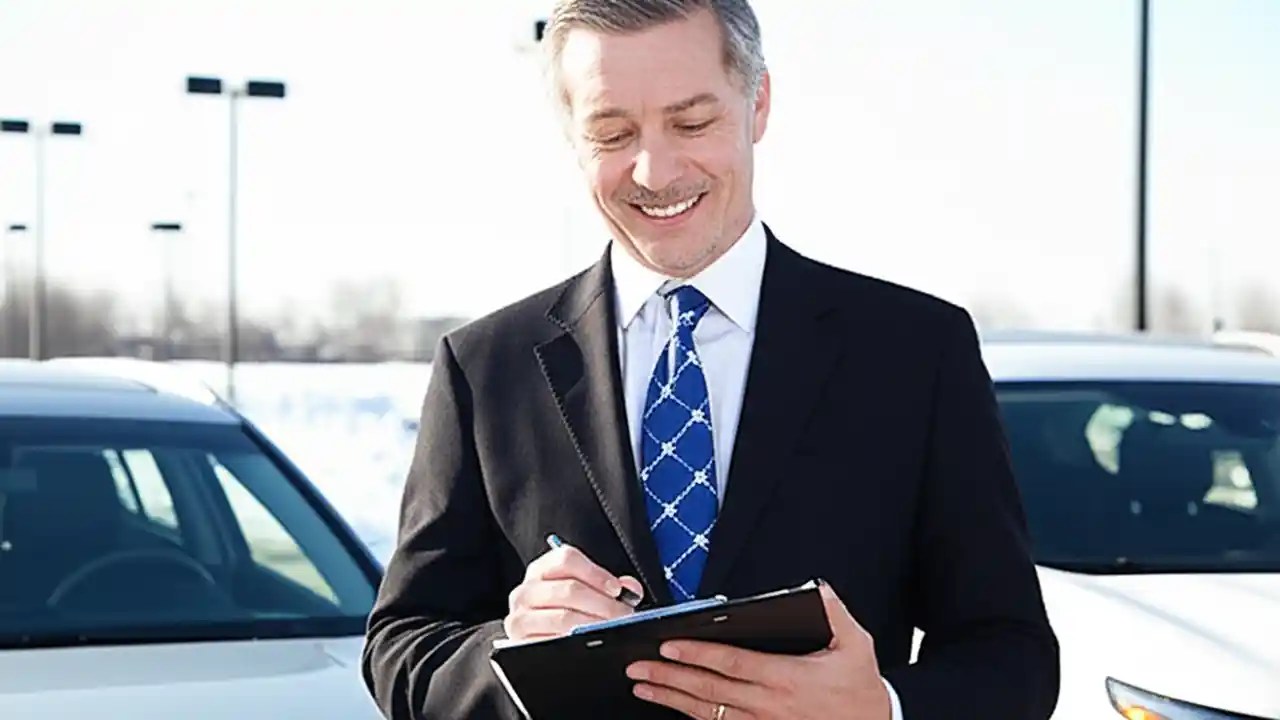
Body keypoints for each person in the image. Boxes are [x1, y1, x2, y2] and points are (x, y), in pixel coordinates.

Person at [361, 1, 1060, 718]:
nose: (654, 171)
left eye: (692, 123)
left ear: (758, 103)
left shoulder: (915, 353)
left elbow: (1013, 656)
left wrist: (881, 708)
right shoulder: (485, 368)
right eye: (612, 132)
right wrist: (511, 645)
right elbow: (402, 648)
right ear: (572, 135)